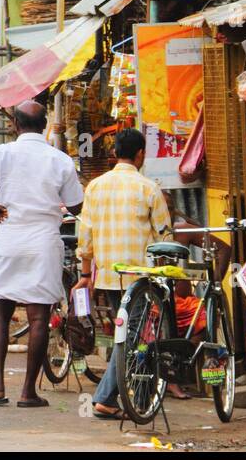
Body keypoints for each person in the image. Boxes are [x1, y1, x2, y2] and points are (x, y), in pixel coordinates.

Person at [0, 101, 84, 408]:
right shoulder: (60, 160)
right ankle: (28, 392)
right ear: (45, 125)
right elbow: (77, 206)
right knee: (39, 316)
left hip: (10, 237)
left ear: (15, 124)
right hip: (43, 241)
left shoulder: (3, 153)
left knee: (0, 310)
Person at [74, 129, 175, 419]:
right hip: (140, 278)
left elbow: (86, 238)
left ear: (115, 152)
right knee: (134, 336)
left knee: (129, 334)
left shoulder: (94, 187)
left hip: (109, 276)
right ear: (140, 154)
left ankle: (135, 394)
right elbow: (164, 237)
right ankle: (105, 397)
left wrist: (85, 275)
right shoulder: (148, 188)